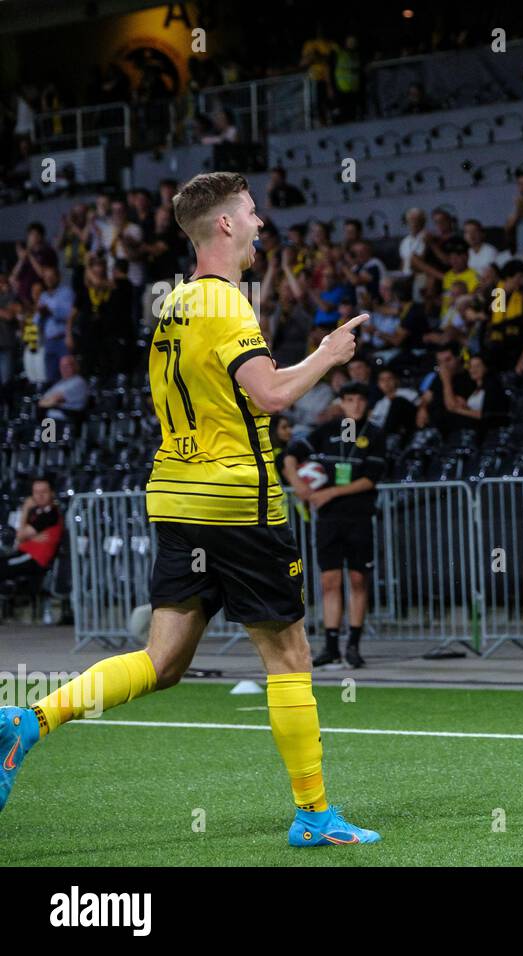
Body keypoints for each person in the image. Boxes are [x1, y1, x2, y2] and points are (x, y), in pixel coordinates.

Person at [0, 172, 379, 846]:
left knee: (163, 660)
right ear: (225, 224)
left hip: (177, 496)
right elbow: (268, 395)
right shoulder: (228, 305)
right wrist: (326, 354)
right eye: (253, 213)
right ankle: (315, 815)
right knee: (290, 658)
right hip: (238, 501)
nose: (262, 224)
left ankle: (32, 722)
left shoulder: (172, 307)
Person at [283, 382, 387, 670]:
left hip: (359, 516)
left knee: (357, 579)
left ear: (367, 404)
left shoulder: (375, 435)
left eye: (359, 400)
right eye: (349, 399)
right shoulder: (327, 431)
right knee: (330, 581)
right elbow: (290, 454)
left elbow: (370, 478)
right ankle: (330, 646)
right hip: (328, 519)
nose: (354, 405)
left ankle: (353, 644)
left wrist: (329, 492)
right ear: (341, 403)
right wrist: (297, 484)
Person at [0, 478, 63, 587]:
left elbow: (19, 536)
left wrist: (25, 508)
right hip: (25, 555)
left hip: (34, 558)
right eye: (36, 492)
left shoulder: (50, 514)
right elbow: (21, 534)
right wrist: (31, 537)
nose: (40, 496)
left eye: (44, 492)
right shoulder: (38, 512)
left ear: (52, 493)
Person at [36, 354, 89, 424]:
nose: (63, 369)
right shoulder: (61, 382)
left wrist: (49, 401)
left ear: (74, 367)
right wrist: (47, 402)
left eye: (67, 366)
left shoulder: (79, 382)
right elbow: (43, 399)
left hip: (69, 420)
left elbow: (55, 399)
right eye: (62, 366)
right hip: (52, 418)